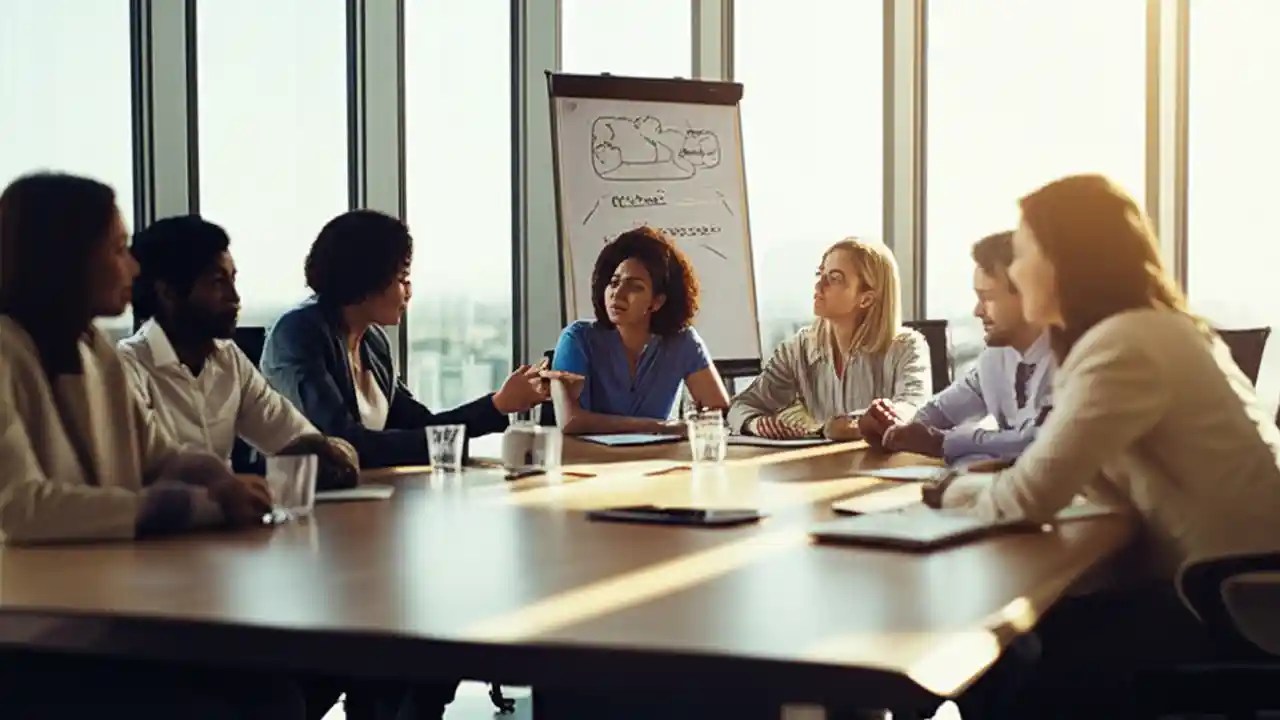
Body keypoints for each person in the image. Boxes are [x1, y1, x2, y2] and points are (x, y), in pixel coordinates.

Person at [922, 174, 1280, 717]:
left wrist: (948, 490)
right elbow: (1085, 485)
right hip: (1228, 580)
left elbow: (1028, 499)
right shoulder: (1145, 331)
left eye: (1021, 255)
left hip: (1239, 601)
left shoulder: (1127, 343)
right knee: (1031, 633)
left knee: (1025, 651)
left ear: (1063, 261)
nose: (1014, 272)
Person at [0, 172, 301, 718]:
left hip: (102, 609)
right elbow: (22, 509)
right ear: (63, 257)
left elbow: (157, 455)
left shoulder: (96, 350)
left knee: (275, 692)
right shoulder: (5, 355)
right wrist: (196, 508)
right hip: (28, 639)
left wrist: (220, 481)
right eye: (118, 249)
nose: (134, 268)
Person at [261, 210, 548, 469]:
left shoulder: (372, 341)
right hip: (308, 500)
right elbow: (343, 444)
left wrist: (499, 403)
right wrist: (442, 446)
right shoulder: (298, 333)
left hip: (370, 497)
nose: (408, 291)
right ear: (367, 278)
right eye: (402, 277)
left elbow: (421, 425)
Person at [119, 215, 359, 490]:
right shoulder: (128, 367)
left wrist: (332, 452)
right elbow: (146, 472)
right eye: (217, 282)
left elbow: (294, 437)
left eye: (232, 280)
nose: (234, 297)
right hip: (168, 528)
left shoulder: (228, 358)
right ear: (169, 293)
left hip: (228, 526)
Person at [868, 231, 1054, 463]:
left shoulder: (1069, 361)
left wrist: (942, 443)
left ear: (1030, 295)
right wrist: (893, 428)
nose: (977, 311)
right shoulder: (996, 357)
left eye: (988, 297)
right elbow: (942, 411)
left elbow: (1038, 445)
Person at [726, 237, 930, 440]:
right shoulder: (798, 348)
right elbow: (740, 406)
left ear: (865, 299)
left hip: (884, 467)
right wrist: (754, 423)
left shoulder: (907, 347)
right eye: (820, 273)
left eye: (834, 278)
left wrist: (856, 425)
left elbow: (913, 407)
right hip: (823, 468)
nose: (818, 285)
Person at [549, 226, 729, 435]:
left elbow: (717, 410)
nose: (618, 294)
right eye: (614, 283)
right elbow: (571, 421)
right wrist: (661, 427)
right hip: (590, 462)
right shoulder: (577, 338)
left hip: (660, 460)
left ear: (657, 302)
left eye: (634, 287)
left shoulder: (682, 341)